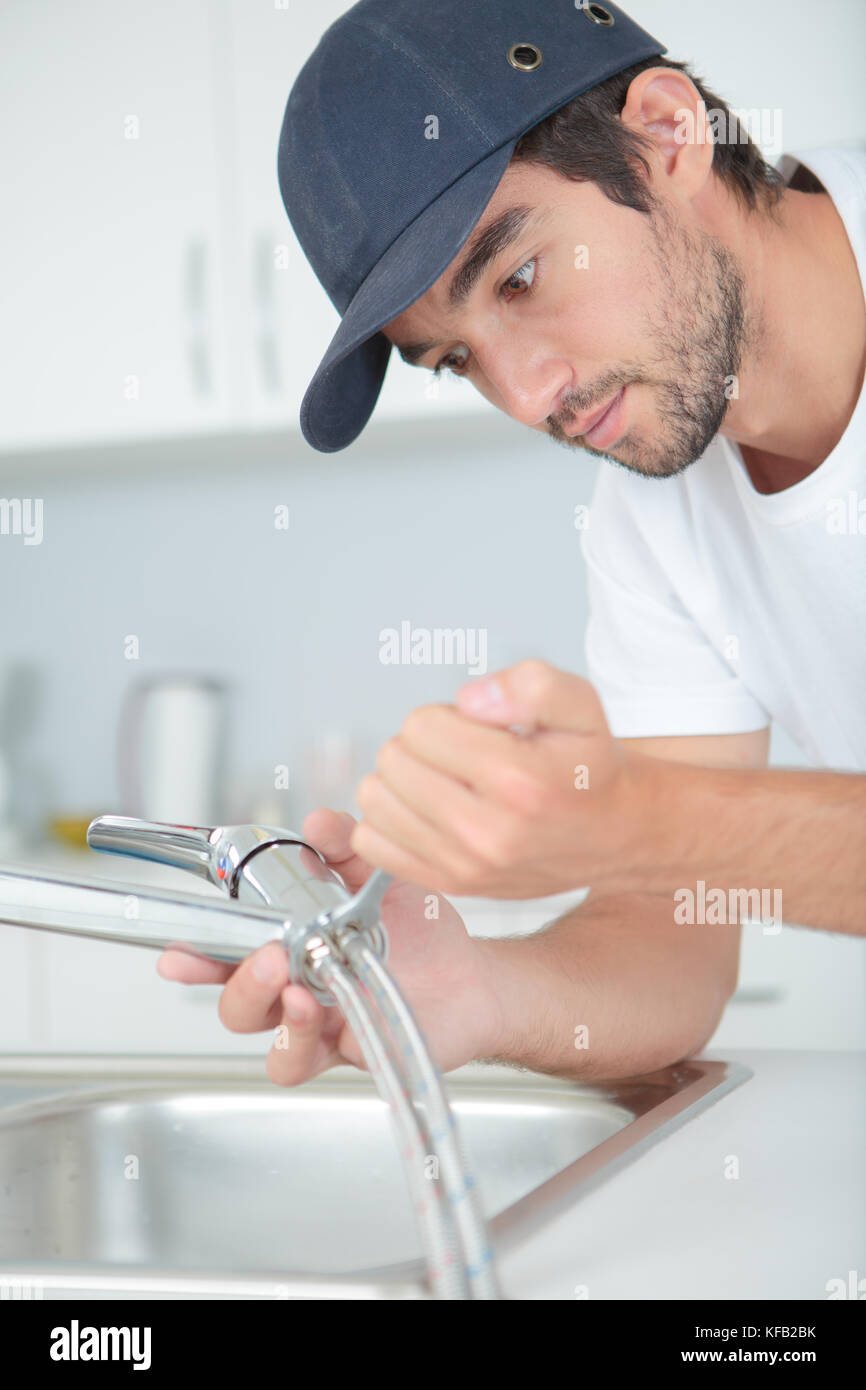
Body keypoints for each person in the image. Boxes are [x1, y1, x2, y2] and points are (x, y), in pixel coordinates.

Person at [159, 0, 865, 1083]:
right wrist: (473, 995)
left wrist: (640, 816)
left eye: (521, 278)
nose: (527, 394)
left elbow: (671, 837)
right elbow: (671, 930)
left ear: (666, 133)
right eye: (453, 361)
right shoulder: (653, 512)